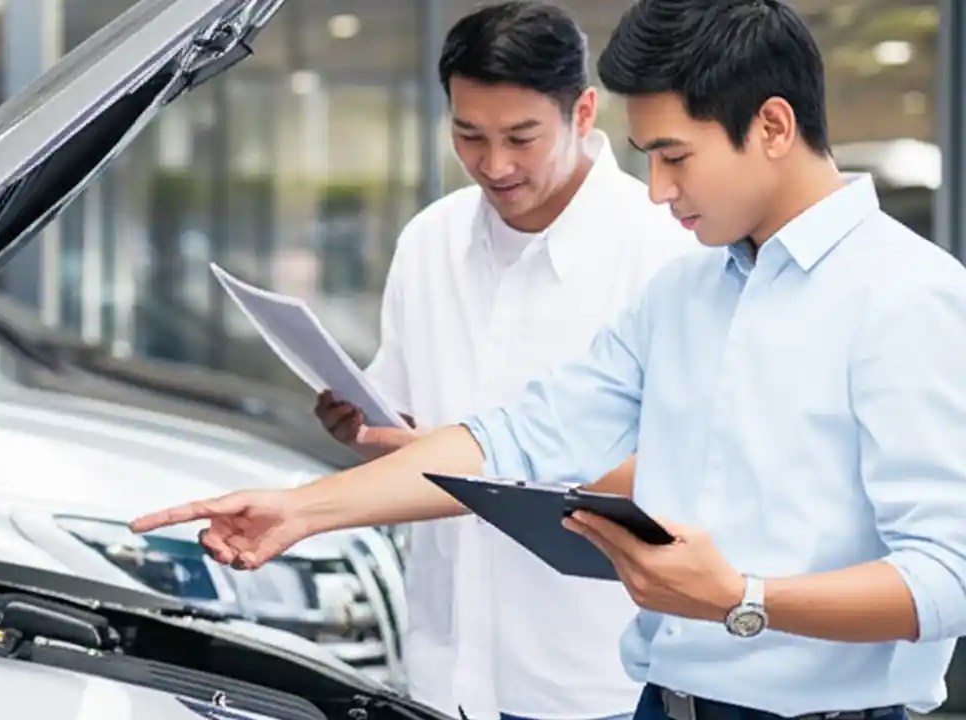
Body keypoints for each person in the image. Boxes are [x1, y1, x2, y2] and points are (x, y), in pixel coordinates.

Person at [133, 0, 966, 717]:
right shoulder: (683, 293)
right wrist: (303, 511)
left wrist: (743, 601)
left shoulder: (908, 296)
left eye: (675, 155)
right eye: (647, 158)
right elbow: (514, 437)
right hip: (658, 706)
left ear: (774, 126)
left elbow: (948, 577)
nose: (657, 190)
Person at [315, 4, 697, 720]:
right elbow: (401, 411)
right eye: (469, 134)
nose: (495, 164)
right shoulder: (429, 241)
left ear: (584, 112)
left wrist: (457, 459)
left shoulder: (664, 249)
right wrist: (367, 426)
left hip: (593, 679)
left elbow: (688, 467)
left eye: (522, 137)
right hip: (443, 667)